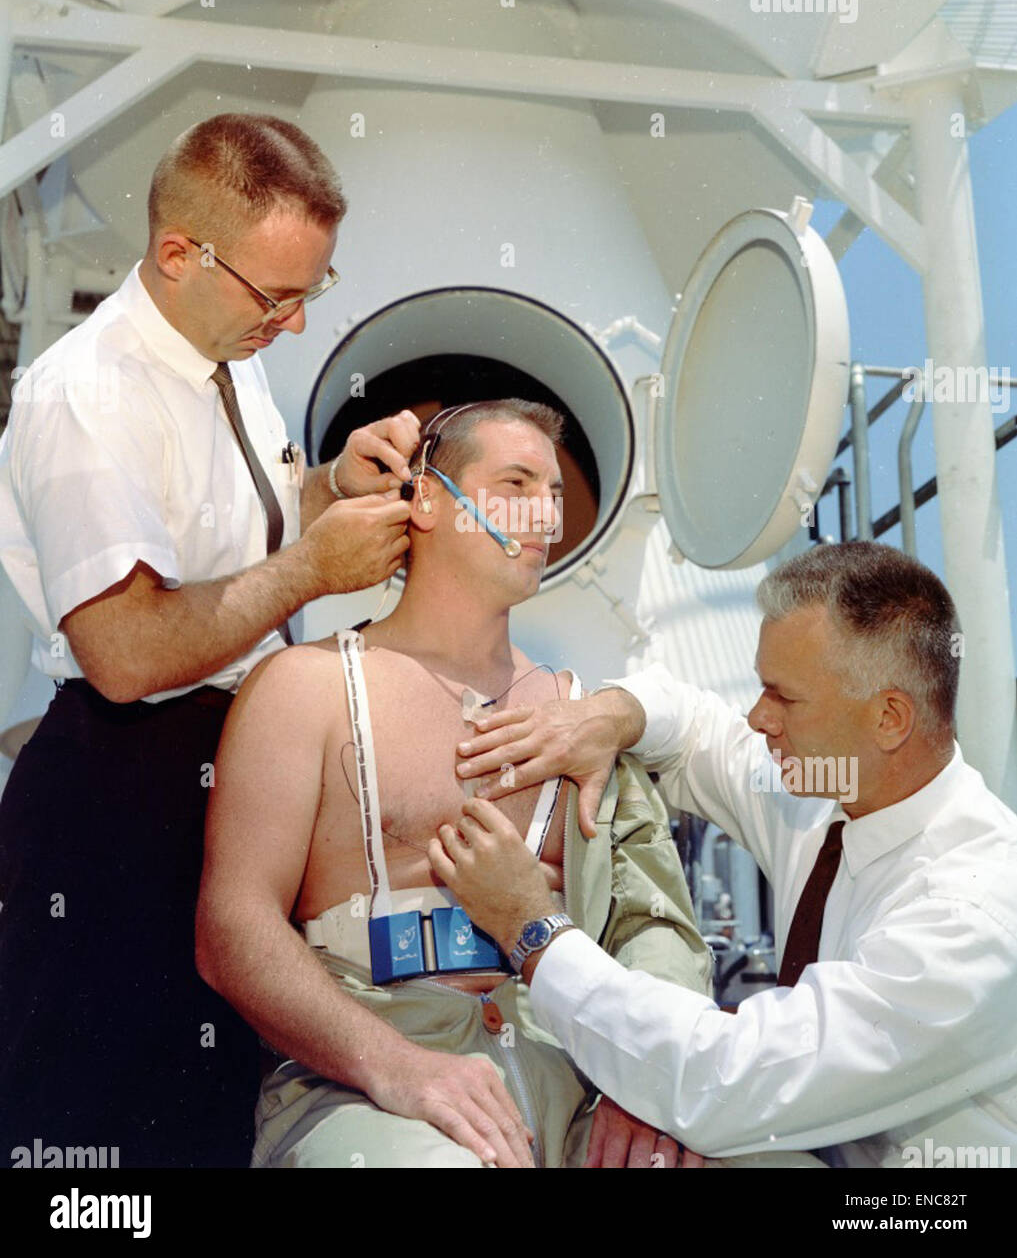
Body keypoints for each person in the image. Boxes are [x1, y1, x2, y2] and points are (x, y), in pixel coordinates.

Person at [0, 113, 419, 1167]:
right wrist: (315, 568)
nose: (290, 324)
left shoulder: (225, 345)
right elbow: (127, 649)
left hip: (221, 770)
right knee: (89, 1136)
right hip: (121, 790)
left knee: (200, 1116)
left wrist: (327, 484)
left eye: (308, 294)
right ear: (179, 253)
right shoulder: (86, 395)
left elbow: (233, 527)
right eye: (274, 296)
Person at [195, 400, 714, 1169]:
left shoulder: (586, 721)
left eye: (554, 496)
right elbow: (233, 932)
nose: (543, 514)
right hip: (371, 1089)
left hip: (577, 1082)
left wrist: (645, 1091)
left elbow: (652, 932)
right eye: (515, 483)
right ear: (429, 497)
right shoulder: (303, 688)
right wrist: (399, 1070)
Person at [435, 542, 1017, 1167]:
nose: (758, 717)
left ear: (888, 718)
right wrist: (608, 715)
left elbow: (728, 1083)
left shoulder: (974, 913)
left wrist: (532, 929)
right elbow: (693, 730)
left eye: (784, 696)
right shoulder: (830, 791)